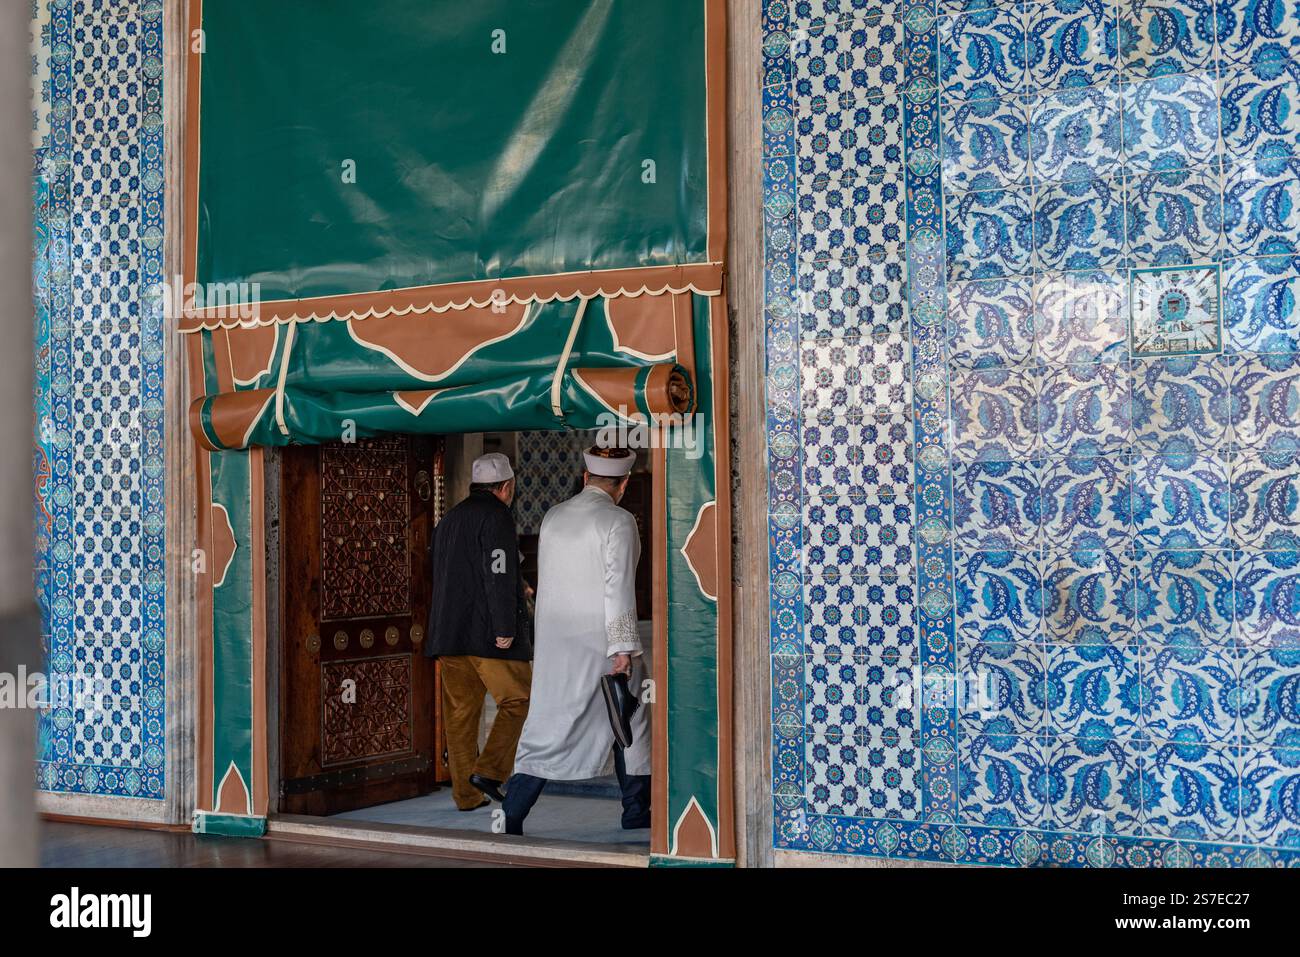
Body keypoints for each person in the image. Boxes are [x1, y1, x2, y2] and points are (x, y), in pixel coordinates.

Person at [502, 445, 650, 835]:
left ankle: (512, 811)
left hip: (556, 643)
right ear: (624, 483)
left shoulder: (553, 516)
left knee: (550, 722)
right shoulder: (619, 521)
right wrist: (621, 649)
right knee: (631, 717)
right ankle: (635, 809)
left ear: (586, 478)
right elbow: (617, 586)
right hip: (600, 643)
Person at [424, 452, 532, 811]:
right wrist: (505, 626)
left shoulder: (449, 520)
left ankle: (466, 796)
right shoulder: (497, 515)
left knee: (460, 716)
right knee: (518, 700)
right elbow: (497, 572)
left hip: (449, 636)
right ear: (505, 487)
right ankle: (489, 771)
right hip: (487, 636)